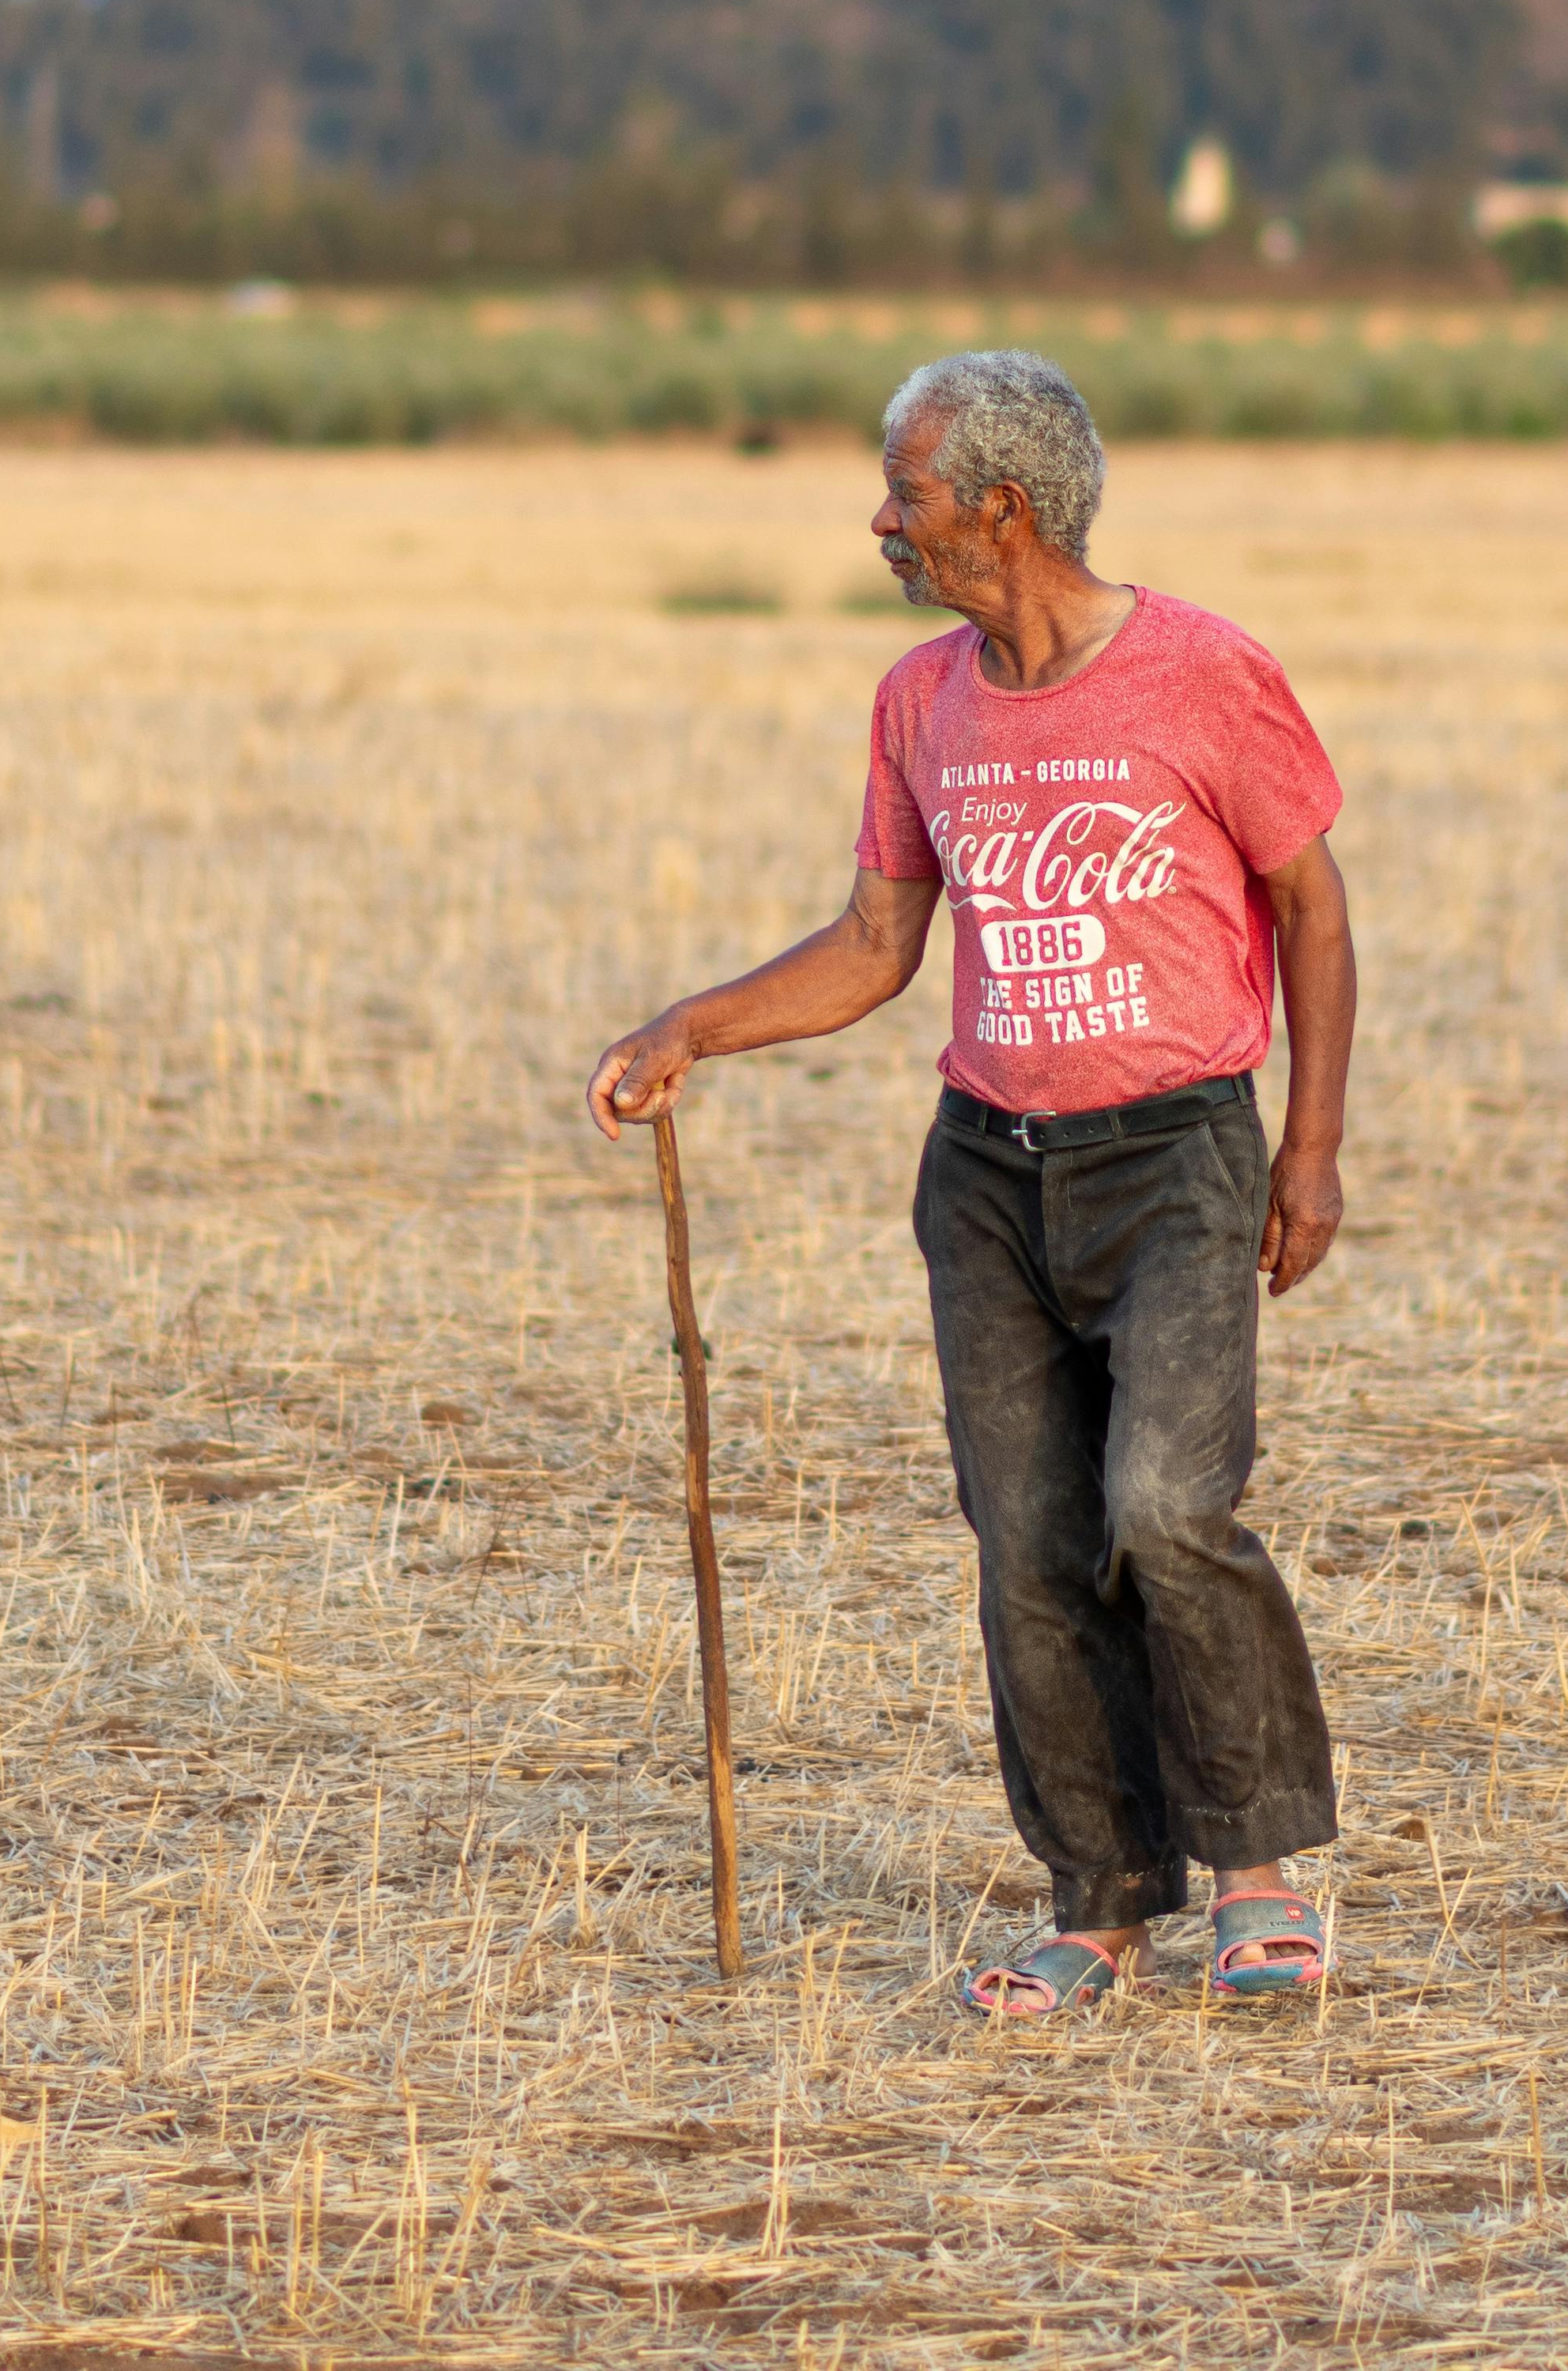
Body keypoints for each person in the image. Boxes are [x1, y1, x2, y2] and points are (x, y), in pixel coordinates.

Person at [585, 351, 1355, 2014]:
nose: (883, 520)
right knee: (1027, 1537)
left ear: (1000, 508)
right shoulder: (918, 700)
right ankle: (1092, 1903)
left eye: (905, 491)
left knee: (1164, 1505)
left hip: (1177, 1158)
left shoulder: (1203, 674)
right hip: (989, 1175)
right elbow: (877, 942)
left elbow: (1310, 906)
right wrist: (688, 1029)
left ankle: (1260, 1877)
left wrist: (1308, 1147)